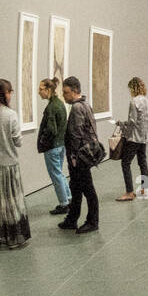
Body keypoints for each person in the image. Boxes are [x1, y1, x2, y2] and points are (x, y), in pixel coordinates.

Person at [0, 79, 30, 249]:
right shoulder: (11, 115)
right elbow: (18, 142)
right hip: (10, 166)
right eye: (10, 92)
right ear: (6, 94)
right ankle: (14, 239)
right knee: (13, 201)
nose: (11, 95)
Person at [60, 75, 100, 234]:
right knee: (76, 188)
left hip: (79, 158)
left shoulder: (77, 108)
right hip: (84, 155)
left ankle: (92, 221)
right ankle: (72, 218)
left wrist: (74, 158)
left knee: (87, 189)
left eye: (66, 92)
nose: (64, 95)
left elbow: (75, 135)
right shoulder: (85, 105)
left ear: (75, 91)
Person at [36, 77, 70, 215]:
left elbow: (51, 130)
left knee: (56, 175)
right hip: (61, 145)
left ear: (49, 90)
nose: (39, 92)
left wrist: (43, 142)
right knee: (60, 174)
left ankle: (64, 204)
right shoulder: (60, 103)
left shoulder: (51, 107)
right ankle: (68, 198)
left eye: (41, 89)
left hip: (53, 147)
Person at [115, 76, 148, 200]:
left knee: (125, 163)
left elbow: (132, 121)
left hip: (134, 138)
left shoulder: (134, 101)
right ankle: (144, 189)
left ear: (133, 88)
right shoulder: (146, 101)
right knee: (142, 163)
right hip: (143, 137)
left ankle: (129, 192)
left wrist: (121, 124)